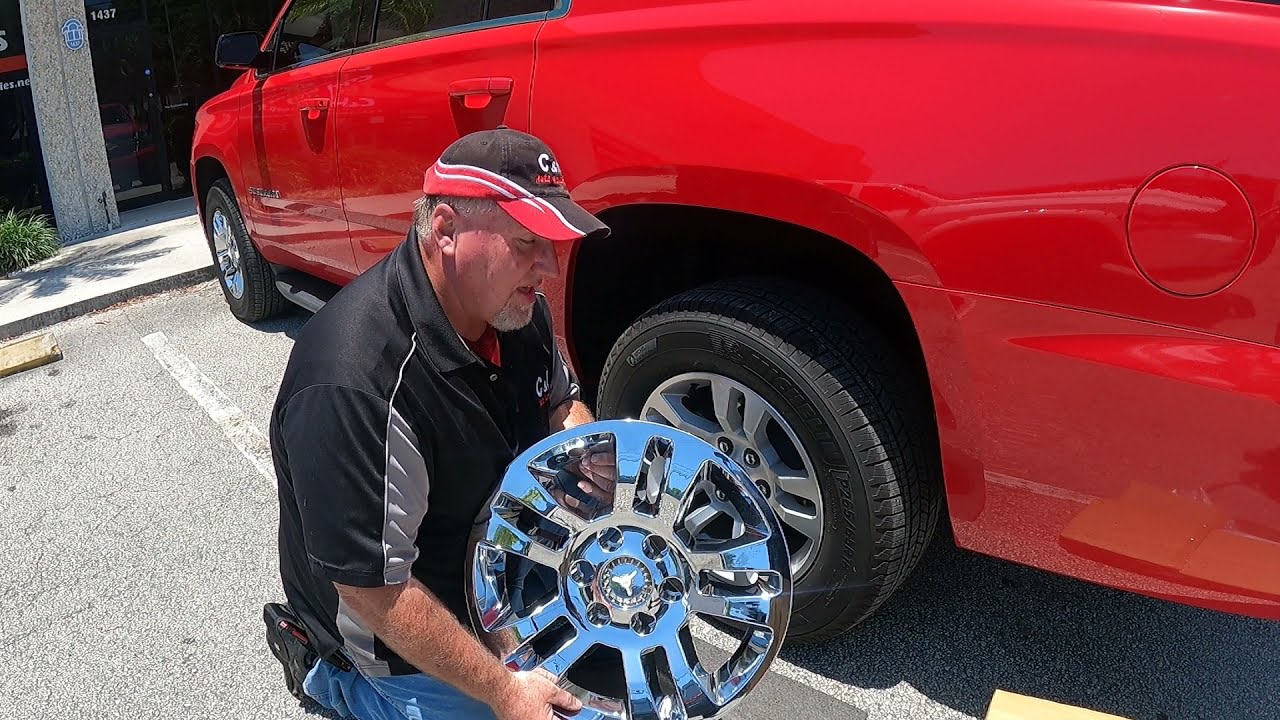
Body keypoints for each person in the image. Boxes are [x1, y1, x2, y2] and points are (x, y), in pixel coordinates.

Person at [265, 127, 615, 720]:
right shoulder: (357, 383)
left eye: (550, 243)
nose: (548, 267)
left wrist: (581, 448)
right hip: (388, 639)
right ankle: (330, 681)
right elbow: (375, 593)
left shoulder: (509, 308)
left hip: (490, 566)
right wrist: (506, 692)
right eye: (527, 241)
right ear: (448, 230)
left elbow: (558, 399)